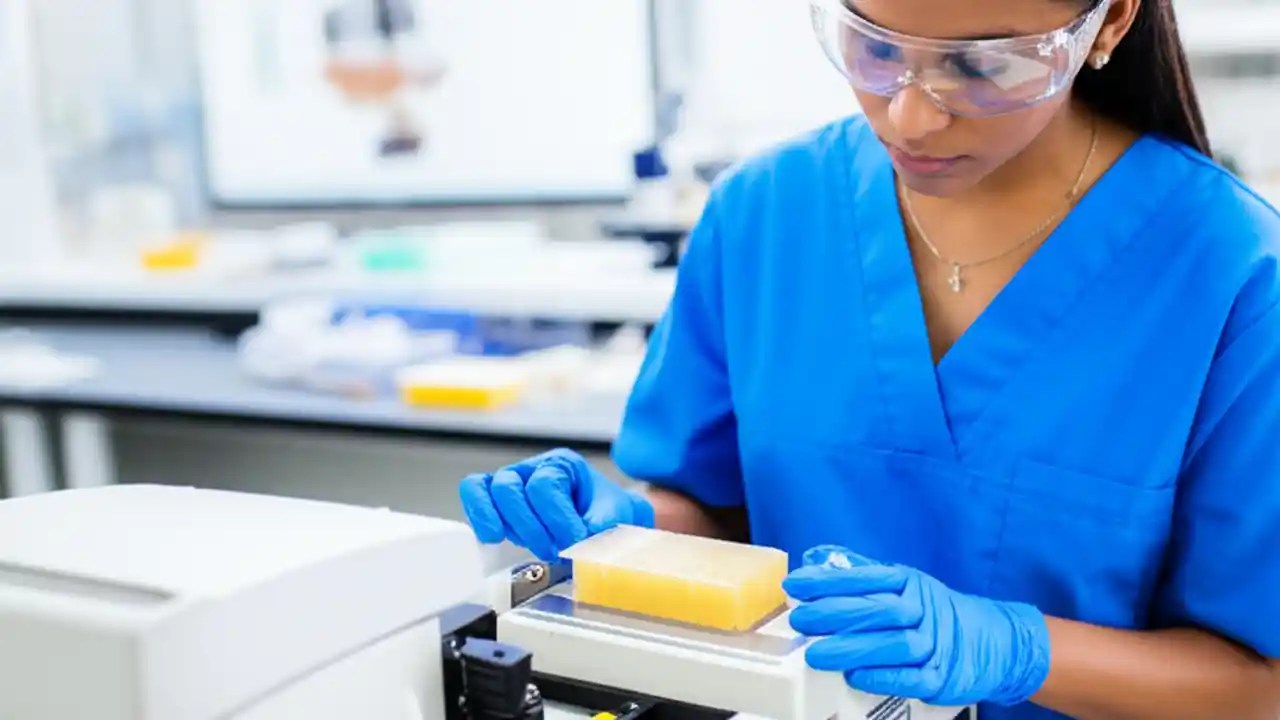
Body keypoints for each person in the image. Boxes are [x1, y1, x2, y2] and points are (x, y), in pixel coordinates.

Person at [459, 0, 1280, 717]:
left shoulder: (1232, 272)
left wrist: (1017, 648)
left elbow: (1258, 687)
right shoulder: (765, 212)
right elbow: (717, 508)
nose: (911, 118)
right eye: (876, 47)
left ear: (1111, 20)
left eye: (983, 65)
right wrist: (628, 531)